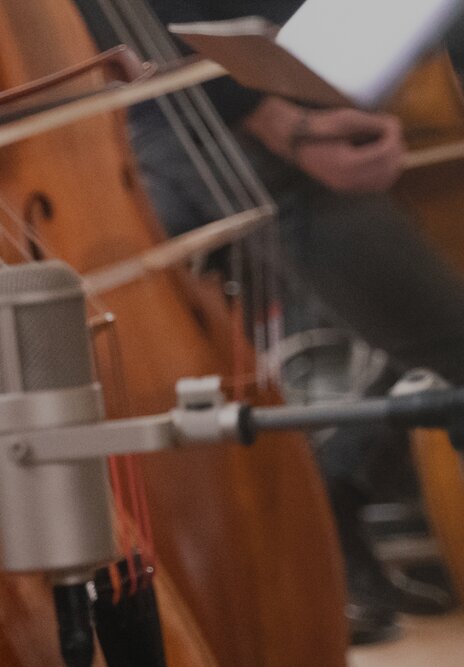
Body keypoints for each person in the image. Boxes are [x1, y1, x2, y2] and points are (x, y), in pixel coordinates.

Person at [105, 0, 464, 645]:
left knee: (360, 341)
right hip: (209, 112)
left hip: (310, 92)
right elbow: (138, 14)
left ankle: (342, 558)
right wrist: (281, 124)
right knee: (422, 350)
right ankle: (324, 565)